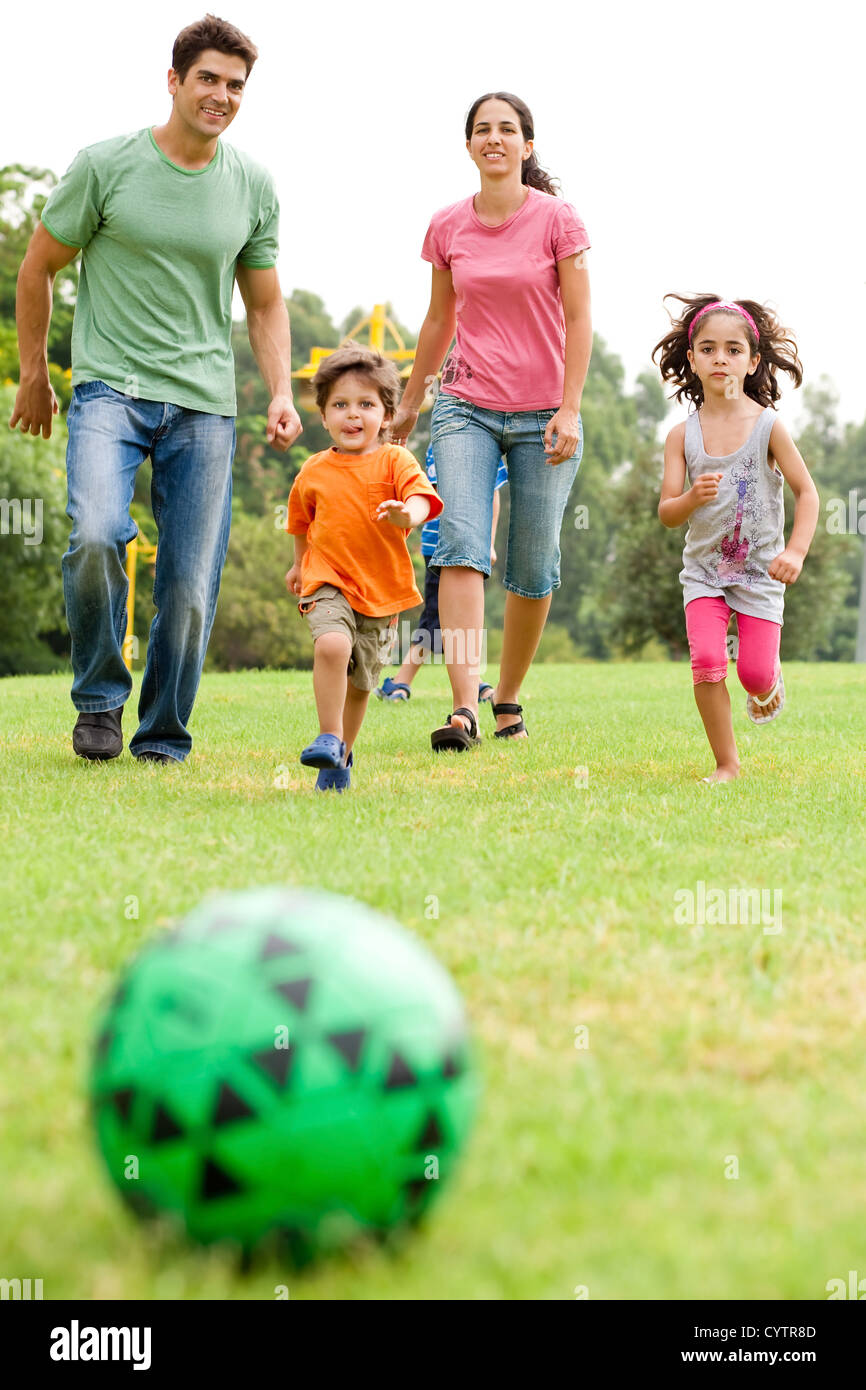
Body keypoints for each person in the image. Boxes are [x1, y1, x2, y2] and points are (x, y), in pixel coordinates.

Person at [8, 15, 301, 763]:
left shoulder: (253, 184)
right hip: (112, 389)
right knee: (98, 533)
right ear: (173, 81)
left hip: (204, 402)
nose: (222, 96)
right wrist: (35, 374)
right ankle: (100, 701)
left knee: (191, 584)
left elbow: (264, 303)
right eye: (208, 79)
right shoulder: (105, 166)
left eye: (236, 86)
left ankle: (163, 736)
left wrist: (279, 391)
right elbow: (36, 267)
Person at [389, 91, 592, 751]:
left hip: (544, 415)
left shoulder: (559, 220)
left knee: (533, 567)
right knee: (461, 547)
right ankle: (462, 709)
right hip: (465, 405)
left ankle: (507, 698)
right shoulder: (447, 226)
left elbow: (581, 318)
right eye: (483, 129)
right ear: (470, 145)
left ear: (526, 146)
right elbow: (438, 320)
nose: (495, 138)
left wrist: (570, 406)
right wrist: (413, 398)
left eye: (508, 129)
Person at [655, 295, 819, 783]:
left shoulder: (768, 426)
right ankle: (726, 764)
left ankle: (769, 682)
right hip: (704, 573)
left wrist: (795, 551)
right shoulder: (680, 436)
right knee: (706, 663)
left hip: (759, 574)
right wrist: (690, 499)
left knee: (753, 675)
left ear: (752, 361)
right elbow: (667, 513)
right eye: (708, 349)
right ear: (692, 360)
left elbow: (807, 492)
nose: (720, 358)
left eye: (732, 349)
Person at [285, 343, 441, 791]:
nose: (353, 416)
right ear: (323, 416)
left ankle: (341, 757)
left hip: (381, 592)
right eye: (340, 405)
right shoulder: (313, 470)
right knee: (332, 647)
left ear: (387, 416)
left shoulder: (396, 459)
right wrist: (299, 566)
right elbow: (300, 521)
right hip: (326, 581)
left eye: (366, 405)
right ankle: (329, 735)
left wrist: (406, 515)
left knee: (361, 683)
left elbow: (420, 499)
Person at [376, 443, 507, 702]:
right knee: (438, 617)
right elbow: (430, 495)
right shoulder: (442, 443)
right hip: (439, 546)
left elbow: (492, 495)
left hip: (472, 547)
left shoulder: (488, 444)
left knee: (460, 616)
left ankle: (405, 682)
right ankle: (410, 681)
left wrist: (489, 542)